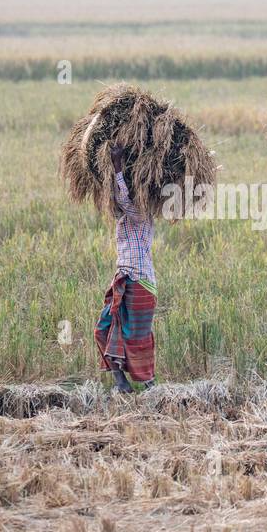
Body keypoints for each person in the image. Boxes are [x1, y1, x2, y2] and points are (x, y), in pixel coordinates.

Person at [94, 144, 156, 393]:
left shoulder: (142, 212)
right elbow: (117, 198)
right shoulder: (125, 216)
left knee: (137, 337)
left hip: (140, 282)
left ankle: (150, 386)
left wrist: (118, 166)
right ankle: (121, 382)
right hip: (124, 277)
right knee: (103, 328)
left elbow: (123, 198)